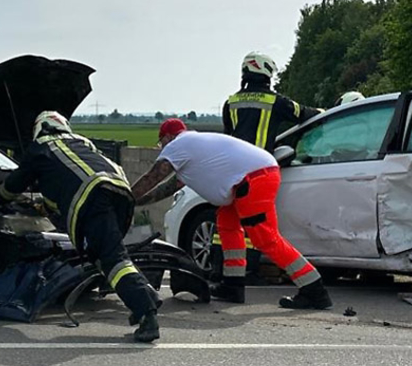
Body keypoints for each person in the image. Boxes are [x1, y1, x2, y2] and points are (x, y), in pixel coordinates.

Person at [0, 111, 161, 342]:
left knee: (111, 260)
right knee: (110, 255)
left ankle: (146, 313)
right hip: (120, 191)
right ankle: (146, 296)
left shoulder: (41, 148)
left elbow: (14, 185)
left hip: (92, 196)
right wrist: (45, 206)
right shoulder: (81, 143)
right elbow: (63, 184)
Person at [131, 118, 332, 310]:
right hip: (252, 178)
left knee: (265, 238)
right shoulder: (193, 147)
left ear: (167, 137)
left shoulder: (178, 145)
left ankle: (313, 288)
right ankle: (233, 285)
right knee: (226, 223)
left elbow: (154, 176)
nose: (161, 148)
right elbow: (169, 187)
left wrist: (127, 197)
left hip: (254, 179)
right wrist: (137, 201)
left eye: (161, 143)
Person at [222, 52, 322, 151]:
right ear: (267, 71)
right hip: (260, 164)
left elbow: (227, 137)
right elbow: (303, 113)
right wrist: (323, 112)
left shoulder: (230, 103)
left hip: (235, 163)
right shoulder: (275, 102)